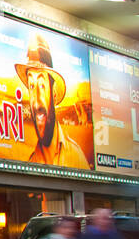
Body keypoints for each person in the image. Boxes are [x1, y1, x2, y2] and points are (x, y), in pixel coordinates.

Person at [16, 33, 88, 168]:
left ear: (54, 94)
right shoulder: (31, 164)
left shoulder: (76, 157)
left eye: (42, 86)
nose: (36, 102)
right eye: (32, 86)